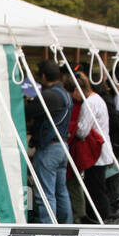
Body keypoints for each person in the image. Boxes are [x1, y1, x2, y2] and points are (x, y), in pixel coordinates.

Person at [25, 58, 73, 224]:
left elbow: (27, 112)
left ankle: (49, 228)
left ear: (44, 77)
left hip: (49, 148)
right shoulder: (66, 94)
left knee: (46, 195)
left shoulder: (49, 96)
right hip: (62, 146)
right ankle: (67, 225)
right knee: (61, 191)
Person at [69, 71, 110, 222]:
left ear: (77, 90)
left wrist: (73, 128)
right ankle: (102, 217)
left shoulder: (89, 103)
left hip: (95, 152)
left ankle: (101, 218)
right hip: (101, 149)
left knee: (96, 190)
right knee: (98, 187)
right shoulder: (97, 99)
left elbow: (83, 130)